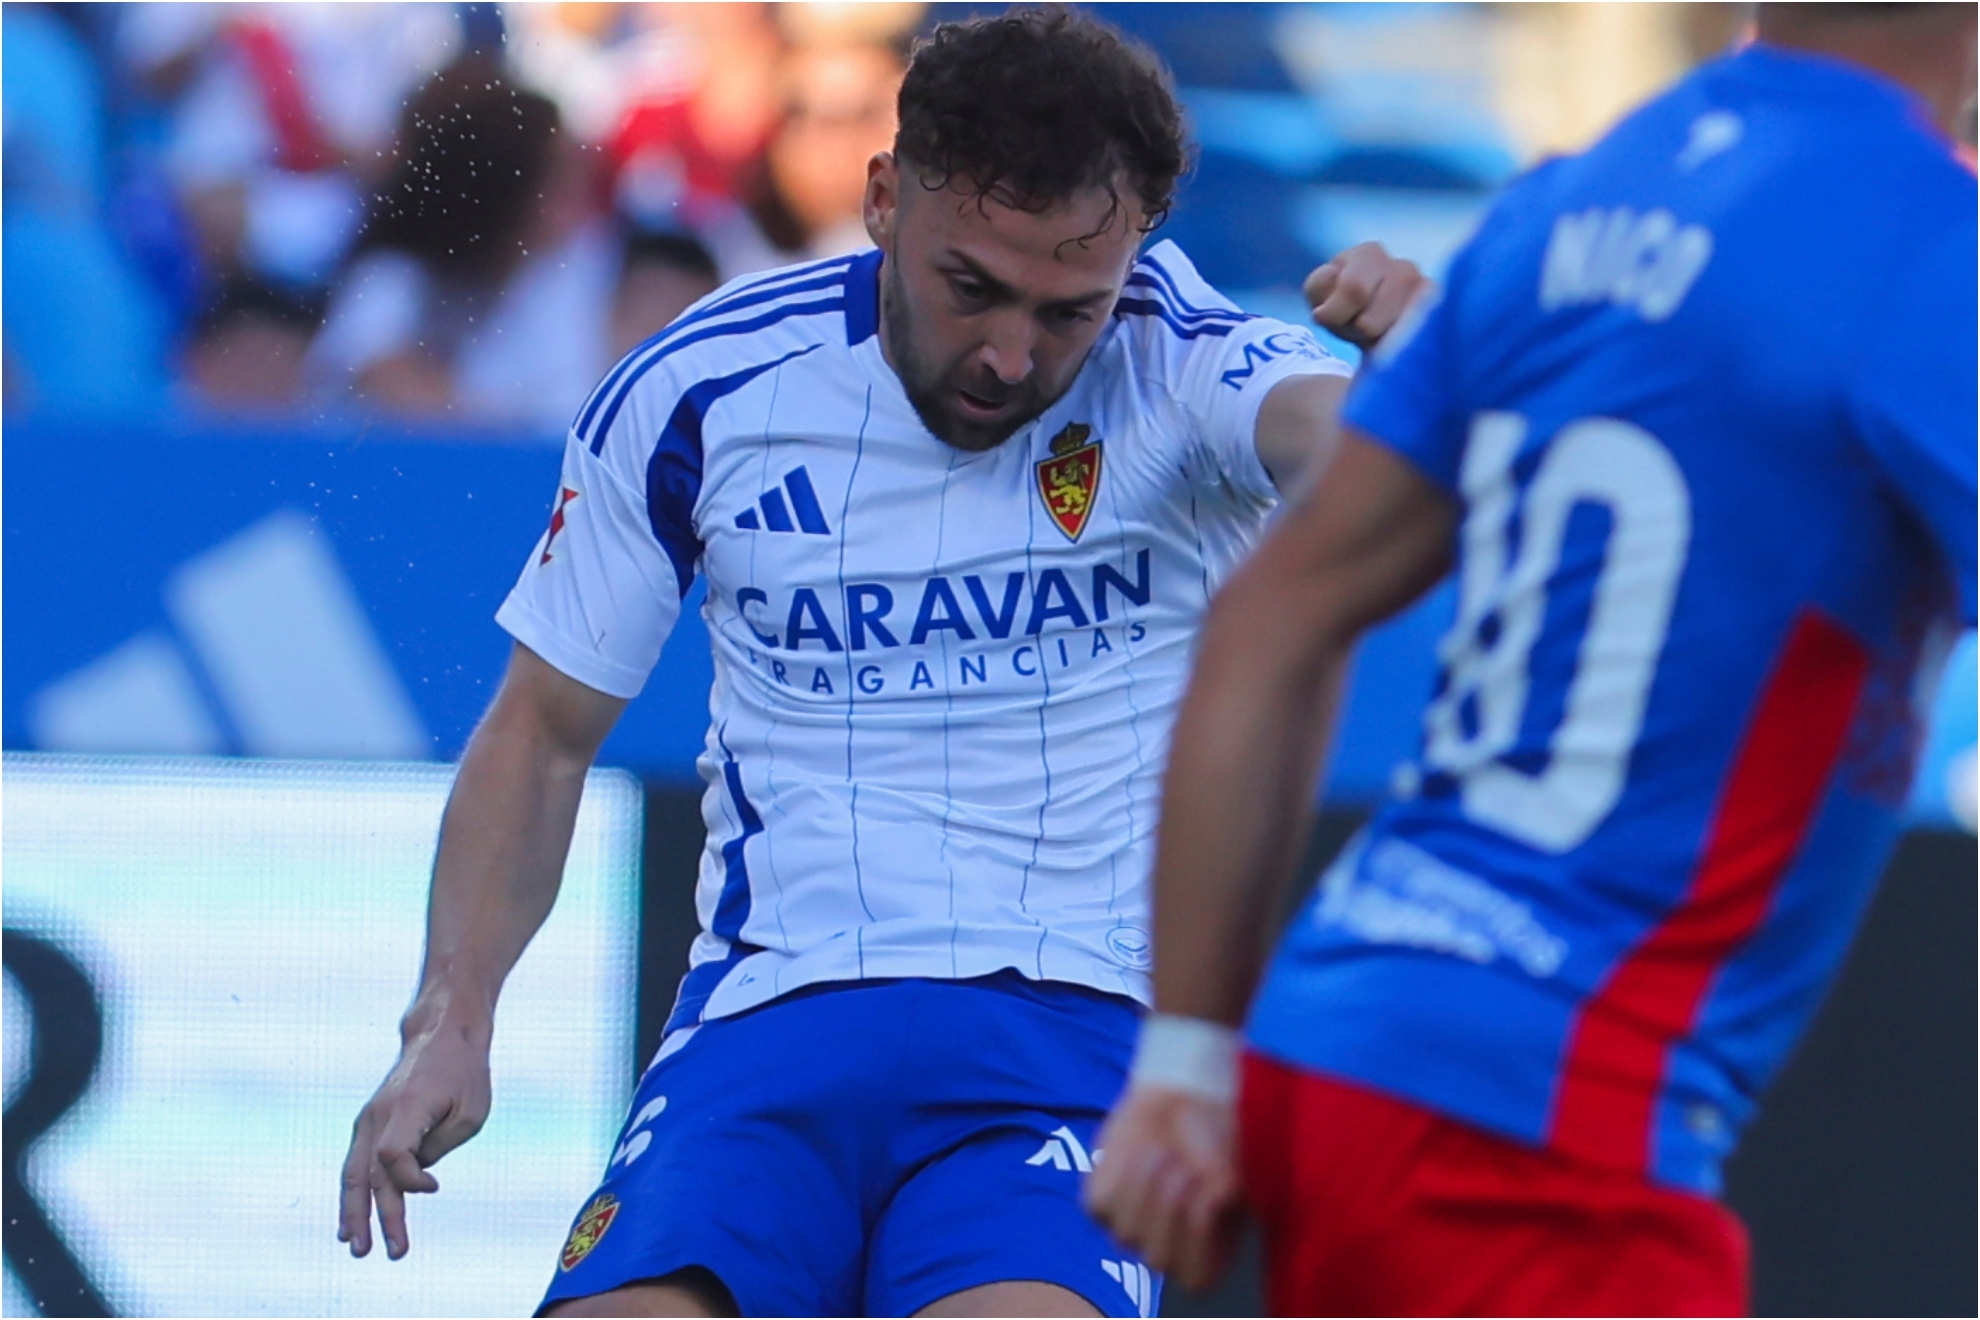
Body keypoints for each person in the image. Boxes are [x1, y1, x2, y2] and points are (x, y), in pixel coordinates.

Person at [337, 10, 1424, 1318]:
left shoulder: (1186, 365)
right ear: (881, 199)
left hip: (1064, 1047)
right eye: (973, 287)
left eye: (1066, 309)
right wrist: (451, 1019)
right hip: (762, 1040)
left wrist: (1428, 367)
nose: (1013, 354)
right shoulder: (701, 388)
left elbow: (1358, 445)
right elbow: (542, 731)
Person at [1085, 4, 1977, 1315]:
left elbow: (1272, 617)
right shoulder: (1925, 246)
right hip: (1543, 1137)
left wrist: (1186, 1064)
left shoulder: (1564, 200)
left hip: (1341, 1039)